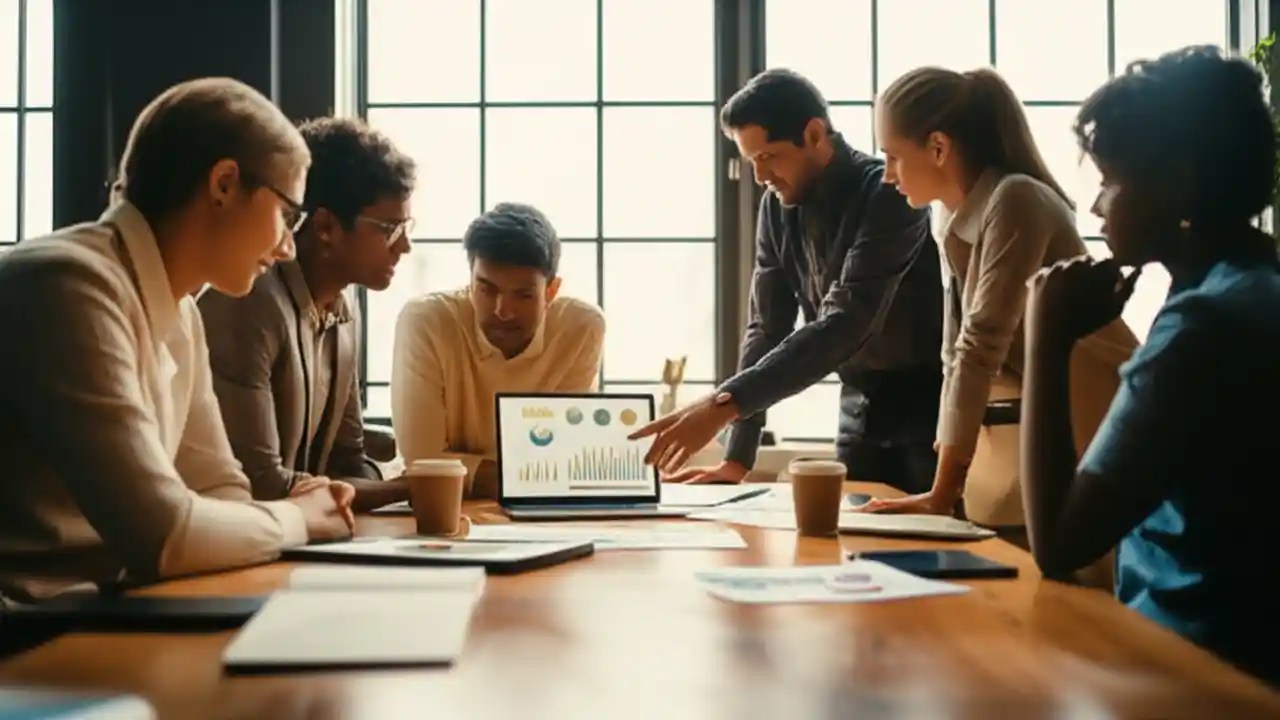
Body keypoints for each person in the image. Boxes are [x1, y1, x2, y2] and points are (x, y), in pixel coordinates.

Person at [0, 78, 355, 603]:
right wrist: (296, 517)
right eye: (287, 215)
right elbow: (163, 535)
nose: (288, 247)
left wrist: (273, 516)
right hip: (29, 626)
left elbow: (218, 487)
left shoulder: (182, 307)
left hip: (109, 607)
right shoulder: (67, 284)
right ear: (224, 184)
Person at [1021, 46, 1280, 685]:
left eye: (1111, 180)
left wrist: (1045, 339)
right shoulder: (1255, 286)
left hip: (1195, 667)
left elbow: (1059, 544)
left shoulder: (1202, 327)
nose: (1096, 207)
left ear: (1176, 182)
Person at [630, 68, 944, 494]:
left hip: (930, 409)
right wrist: (737, 458)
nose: (760, 176)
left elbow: (847, 319)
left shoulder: (890, 193)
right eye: (751, 162)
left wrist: (723, 406)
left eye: (768, 157)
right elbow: (766, 328)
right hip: (856, 407)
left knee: (934, 534)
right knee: (852, 533)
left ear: (814, 134)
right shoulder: (776, 208)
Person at [856, 67, 1137, 520]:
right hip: (1036, 411)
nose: (887, 175)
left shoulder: (1015, 199)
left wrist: (941, 492)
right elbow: (954, 349)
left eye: (893, 156)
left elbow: (979, 343)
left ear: (938, 148)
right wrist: (945, 480)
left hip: (1096, 400)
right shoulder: (948, 215)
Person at [199, 117, 416, 512]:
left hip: (300, 531)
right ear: (326, 227)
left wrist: (394, 483)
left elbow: (348, 461)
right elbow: (261, 485)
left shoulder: (343, 310)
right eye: (389, 228)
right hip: (227, 532)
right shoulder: (247, 302)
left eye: (405, 227)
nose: (405, 247)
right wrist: (410, 488)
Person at [391, 203, 604, 498]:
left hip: (540, 507)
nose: (503, 311)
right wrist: (536, 475)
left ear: (551, 291)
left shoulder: (580, 327)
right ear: (470, 280)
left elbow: (563, 456)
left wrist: (545, 473)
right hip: (443, 505)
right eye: (487, 290)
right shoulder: (426, 321)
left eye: (524, 295)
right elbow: (424, 464)